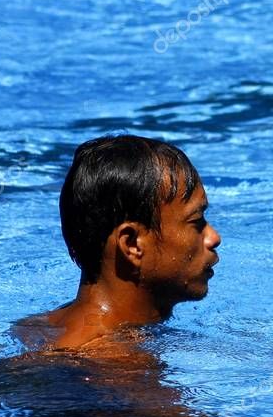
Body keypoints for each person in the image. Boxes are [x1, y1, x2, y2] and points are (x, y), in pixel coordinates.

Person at [14, 134, 221, 351]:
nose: (214, 237)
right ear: (131, 244)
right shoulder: (122, 367)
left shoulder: (32, 329)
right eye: (196, 221)